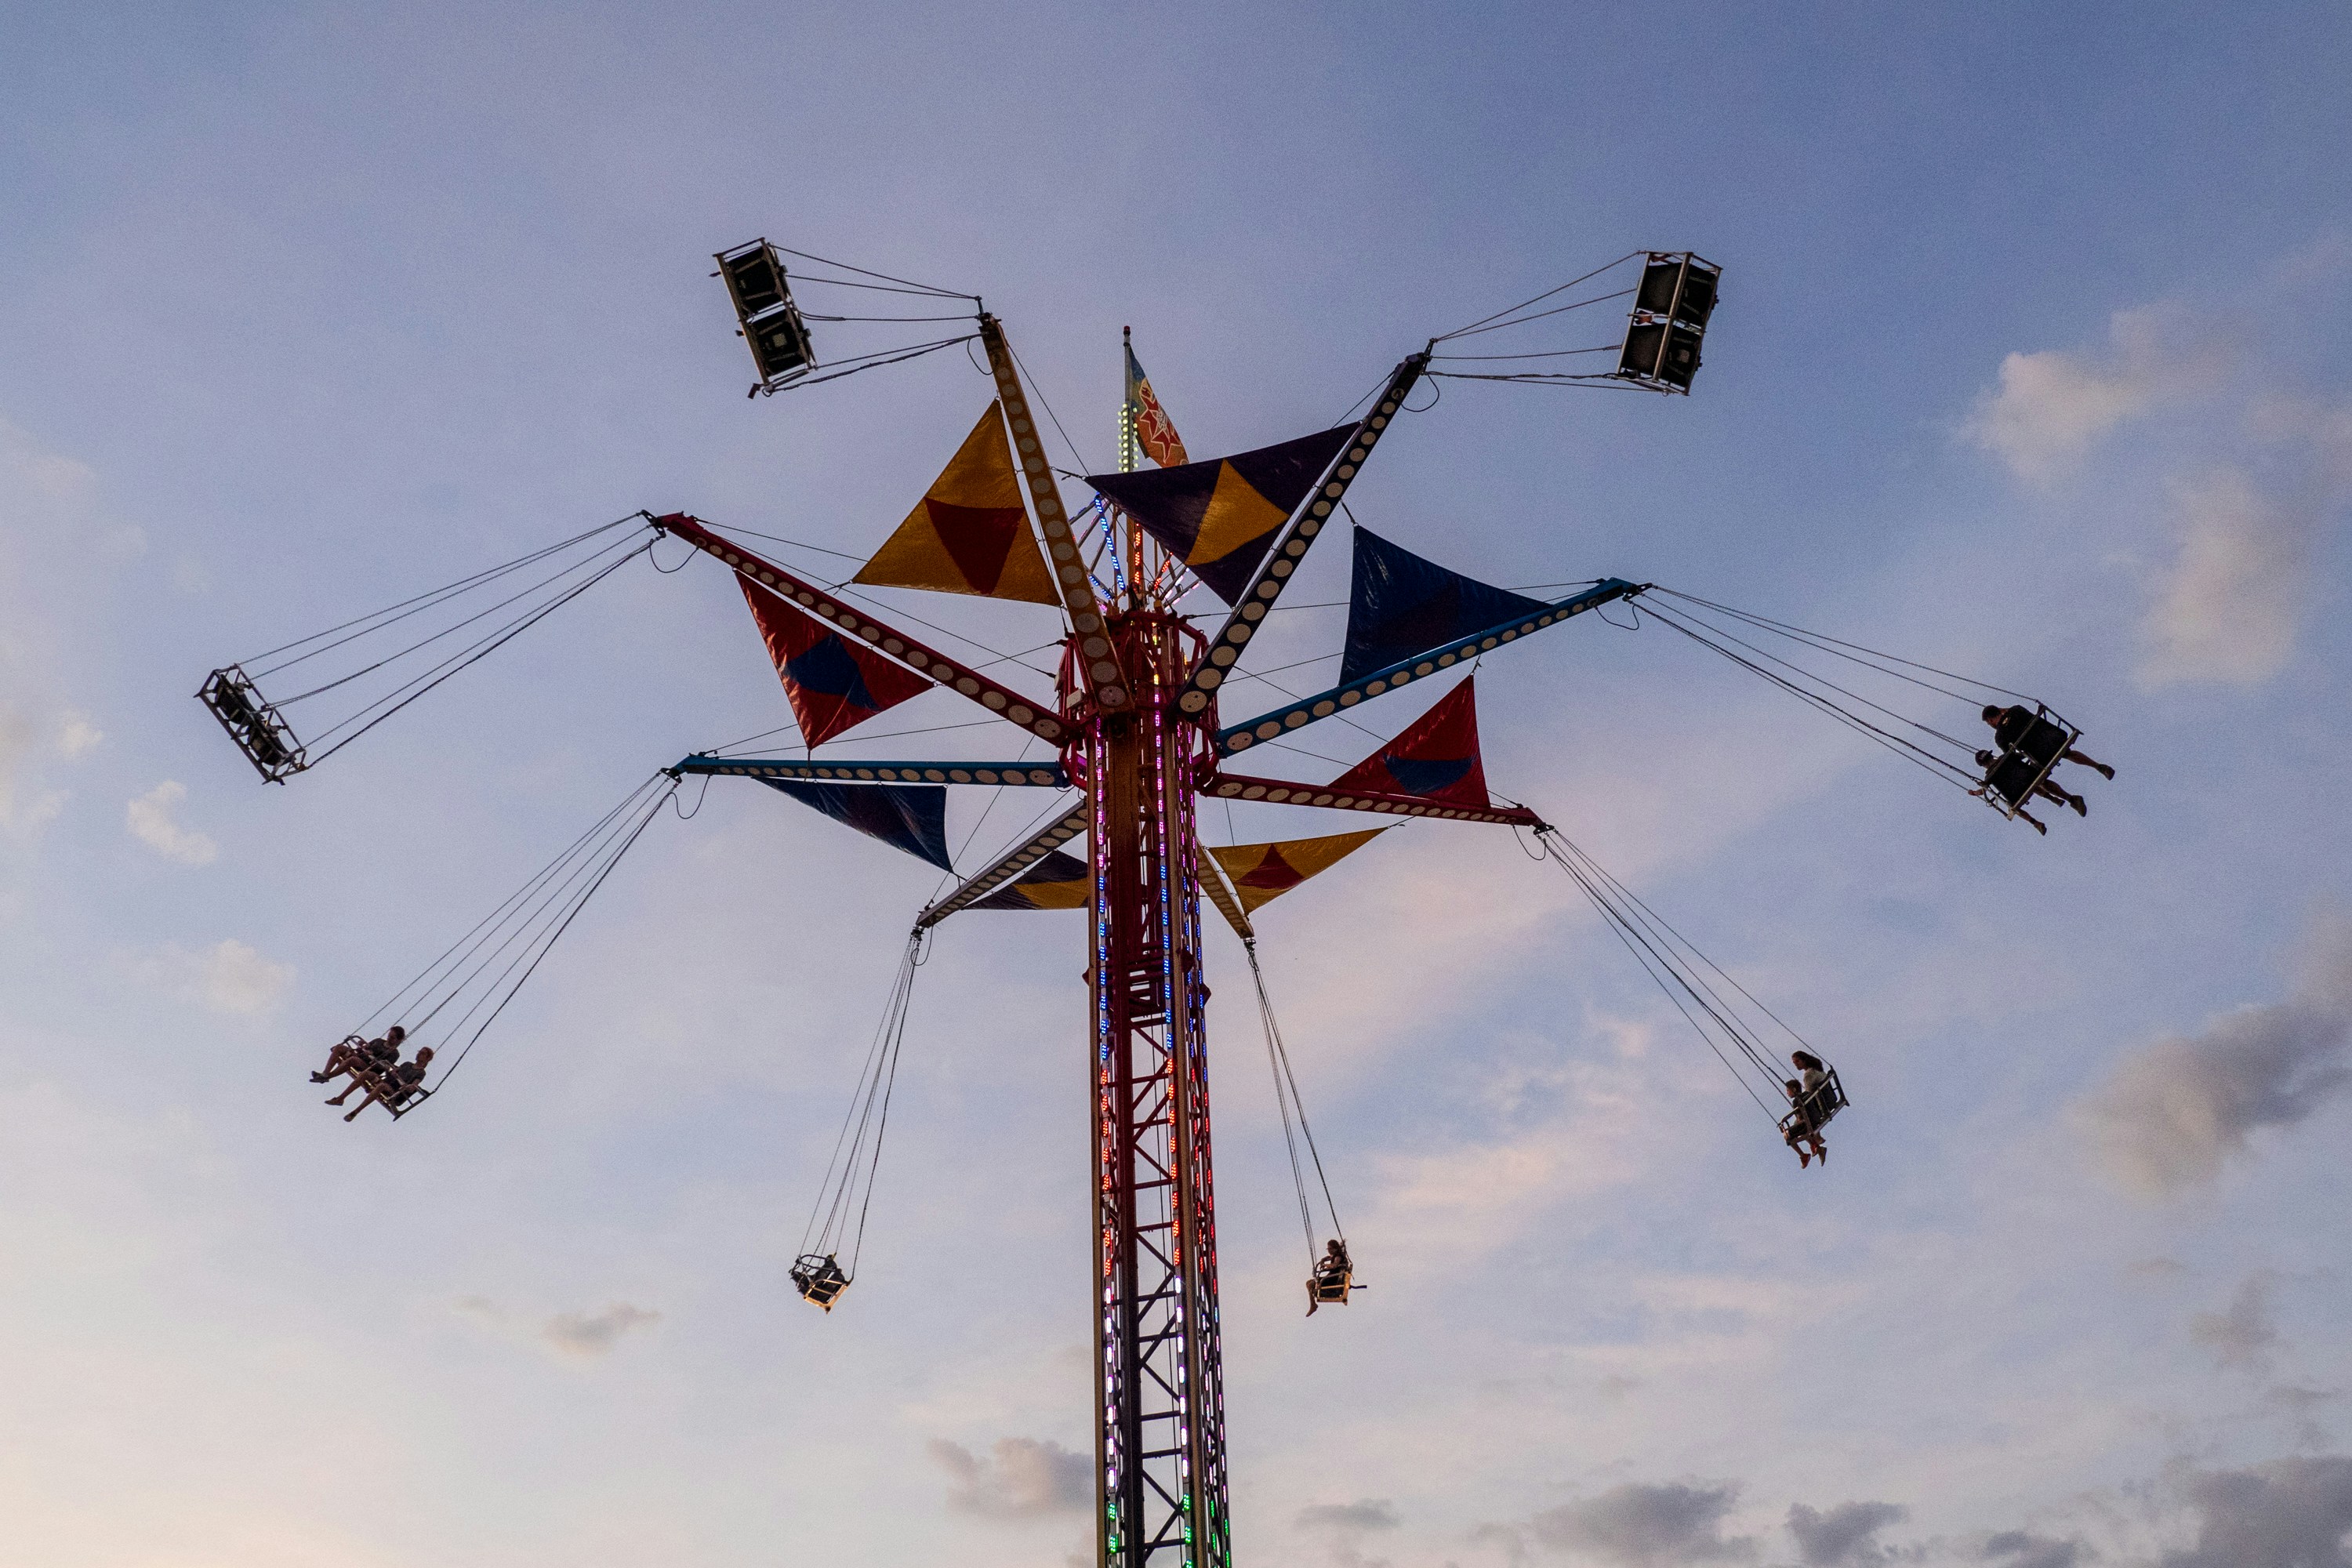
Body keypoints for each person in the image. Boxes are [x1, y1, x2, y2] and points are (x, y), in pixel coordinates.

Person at [1980, 705, 2115, 779]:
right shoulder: (2016, 709)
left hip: (2040, 755)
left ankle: (2064, 799)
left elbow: (2012, 756)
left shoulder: (2000, 737)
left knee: (2036, 778)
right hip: (2054, 737)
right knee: (2066, 753)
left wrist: (2022, 755)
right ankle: (2099, 766)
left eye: (1989, 723)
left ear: (1990, 720)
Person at [330, 1044, 434, 1121]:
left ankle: (356, 1111)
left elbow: (413, 1087)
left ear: (427, 1058)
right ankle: (340, 1098)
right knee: (367, 1074)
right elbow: (394, 1071)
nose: (419, 1054)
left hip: (394, 1091)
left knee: (382, 1086)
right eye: (419, 1051)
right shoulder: (407, 1064)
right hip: (387, 1082)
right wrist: (392, 1071)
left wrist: (406, 1086)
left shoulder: (421, 1073)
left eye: (423, 1053)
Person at [1976, 750, 2087, 818]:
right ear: (1991, 756)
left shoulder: (1989, 776)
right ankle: (2069, 799)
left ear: (1983, 765)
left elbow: (1985, 789)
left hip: (2018, 792)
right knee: (2035, 782)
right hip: (2031, 777)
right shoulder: (2006, 757)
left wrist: (1976, 791)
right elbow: (2022, 755)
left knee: (2025, 785)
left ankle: (2051, 803)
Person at [311, 1024, 403, 1086]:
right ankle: (325, 1073)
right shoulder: (379, 1041)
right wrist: (363, 1046)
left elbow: (383, 1067)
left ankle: (327, 1076)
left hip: (369, 1066)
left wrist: (372, 1056)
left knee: (353, 1060)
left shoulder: (394, 1053)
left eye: (392, 1038)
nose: (389, 1039)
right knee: (339, 1047)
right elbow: (362, 1049)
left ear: (397, 1040)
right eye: (389, 1036)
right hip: (361, 1057)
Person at [1306, 1238, 1350, 1316]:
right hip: (1330, 1278)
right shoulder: (1335, 1255)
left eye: (1330, 1249)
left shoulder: (1338, 1257)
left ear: (1335, 1249)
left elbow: (1334, 1265)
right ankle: (1313, 1304)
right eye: (1328, 1249)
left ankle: (1313, 1305)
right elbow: (1329, 1257)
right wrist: (1323, 1259)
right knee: (1308, 1283)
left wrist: (1325, 1265)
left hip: (1332, 1280)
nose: (1329, 1251)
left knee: (1311, 1284)